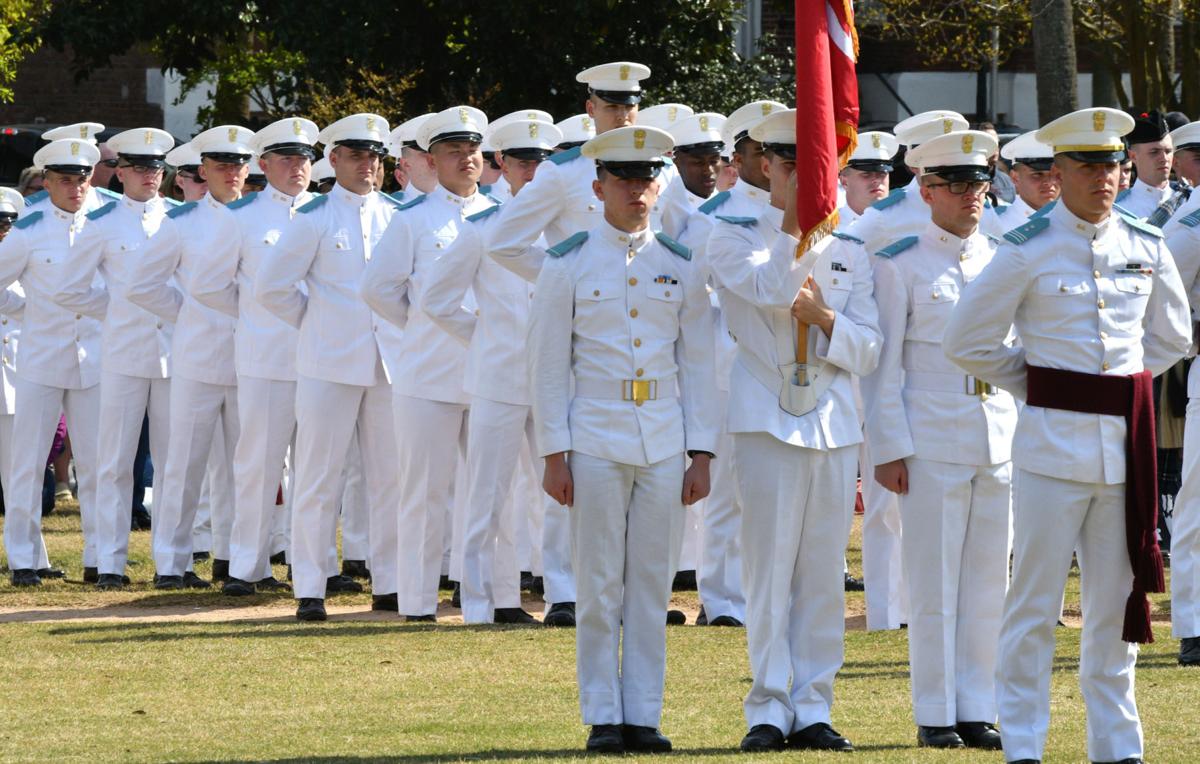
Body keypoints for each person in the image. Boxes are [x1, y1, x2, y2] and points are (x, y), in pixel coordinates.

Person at [943, 106, 1191, 764]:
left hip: (1123, 454)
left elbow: (1169, 337)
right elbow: (967, 340)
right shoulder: (1026, 247)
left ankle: (1117, 747)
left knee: (1114, 610)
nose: (1104, 177)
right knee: (1033, 607)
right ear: (1059, 172)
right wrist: (1040, 386)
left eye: (1112, 163)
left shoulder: (1144, 243)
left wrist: (1112, 394)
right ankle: (1023, 744)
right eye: (1088, 165)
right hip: (1051, 451)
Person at [528, 124, 717, 754]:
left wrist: (703, 451)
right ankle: (603, 714)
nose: (637, 190)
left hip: (664, 438)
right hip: (596, 435)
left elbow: (698, 363)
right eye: (625, 179)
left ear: (659, 184)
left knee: (652, 584)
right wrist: (554, 452)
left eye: (646, 178)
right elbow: (549, 365)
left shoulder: (680, 263)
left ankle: (644, 713)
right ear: (598, 185)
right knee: (599, 579)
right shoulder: (568, 261)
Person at [706, 108, 881, 753]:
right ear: (770, 169)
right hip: (765, 417)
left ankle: (814, 705)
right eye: (796, 171)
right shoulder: (730, 229)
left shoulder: (855, 243)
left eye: (819, 173)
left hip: (833, 421)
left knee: (820, 574)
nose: (810, 184)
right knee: (768, 568)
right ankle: (768, 705)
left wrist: (828, 319)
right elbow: (765, 288)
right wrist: (794, 232)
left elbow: (869, 348)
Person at [864, 129, 1017, 750]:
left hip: (998, 434)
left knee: (988, 582)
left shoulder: (1005, 256)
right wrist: (889, 448)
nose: (972, 196)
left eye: (979, 183)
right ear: (926, 191)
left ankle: (977, 705)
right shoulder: (900, 262)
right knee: (931, 582)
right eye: (956, 185)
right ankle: (934, 710)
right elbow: (884, 367)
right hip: (928, 437)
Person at [255, 113, 402, 622]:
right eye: (357, 155)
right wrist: (317, 326)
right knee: (319, 477)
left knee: (389, 479)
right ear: (333, 159)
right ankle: (311, 585)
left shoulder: (395, 215)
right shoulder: (314, 218)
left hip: (387, 366)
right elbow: (273, 288)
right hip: (326, 364)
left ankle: (390, 582)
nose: (367, 165)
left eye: (374, 157)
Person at [422, 116, 562, 624]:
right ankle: (485, 601)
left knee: (559, 493)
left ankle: (561, 595)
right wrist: (481, 336)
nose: (534, 170)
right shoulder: (482, 224)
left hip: (553, 378)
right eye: (524, 161)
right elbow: (436, 299)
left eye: (543, 161)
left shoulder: (564, 223)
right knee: (488, 495)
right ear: (502, 163)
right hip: (500, 374)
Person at [362, 105, 495, 621]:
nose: (466, 159)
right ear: (432, 162)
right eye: (453, 152)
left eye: (472, 150)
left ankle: (479, 593)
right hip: (428, 374)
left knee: (485, 493)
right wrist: (422, 327)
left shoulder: (499, 214)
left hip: (488, 375)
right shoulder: (412, 220)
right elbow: (377, 289)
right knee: (423, 492)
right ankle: (417, 601)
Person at [189, 117, 321, 596]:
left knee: (317, 469)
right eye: (285, 159)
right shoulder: (241, 218)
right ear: (264, 164)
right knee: (258, 465)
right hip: (266, 358)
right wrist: (254, 315)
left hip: (323, 360)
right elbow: (207, 286)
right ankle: (248, 565)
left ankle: (314, 566)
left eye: (303, 158)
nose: (296, 167)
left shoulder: (326, 212)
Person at [127, 125, 253, 590]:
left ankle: (240, 561)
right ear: (203, 171)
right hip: (198, 356)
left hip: (252, 359)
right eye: (221, 167)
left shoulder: (263, 218)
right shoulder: (182, 223)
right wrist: (188, 314)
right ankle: (171, 563)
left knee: (248, 465)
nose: (232, 174)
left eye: (239, 165)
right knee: (183, 464)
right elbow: (142, 284)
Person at [52, 127, 177, 589]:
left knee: (172, 463)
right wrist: (121, 312)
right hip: (121, 353)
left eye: (157, 168)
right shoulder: (101, 224)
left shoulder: (180, 219)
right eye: (140, 168)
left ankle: (171, 562)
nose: (150, 176)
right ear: (119, 172)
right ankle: (109, 562)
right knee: (113, 462)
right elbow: (69, 288)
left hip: (173, 354)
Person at [0, 138, 104, 586]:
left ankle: (103, 558)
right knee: (27, 461)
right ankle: (24, 558)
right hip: (41, 357)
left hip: (93, 358)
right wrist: (28, 310)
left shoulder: (103, 226)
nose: (76, 187)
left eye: (82, 178)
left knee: (101, 464)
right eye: (65, 179)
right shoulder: (29, 228)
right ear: (46, 182)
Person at [659, 112, 725, 238]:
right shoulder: (663, 204)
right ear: (676, 162)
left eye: (714, 161)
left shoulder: (728, 205)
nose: (708, 170)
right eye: (697, 162)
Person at [1117, 110, 1174, 219]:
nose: (1164, 158)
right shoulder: (1119, 210)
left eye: (1168, 151)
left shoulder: (1188, 199)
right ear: (1133, 156)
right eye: (1154, 152)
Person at [837, 131, 897, 232]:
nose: (876, 180)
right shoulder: (830, 228)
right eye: (866, 175)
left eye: (882, 174)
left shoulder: (904, 219)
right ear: (844, 182)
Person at [996, 130, 1058, 227]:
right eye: (1038, 174)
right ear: (1015, 178)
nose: (1049, 182)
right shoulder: (996, 225)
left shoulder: (1074, 222)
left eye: (1054, 174)